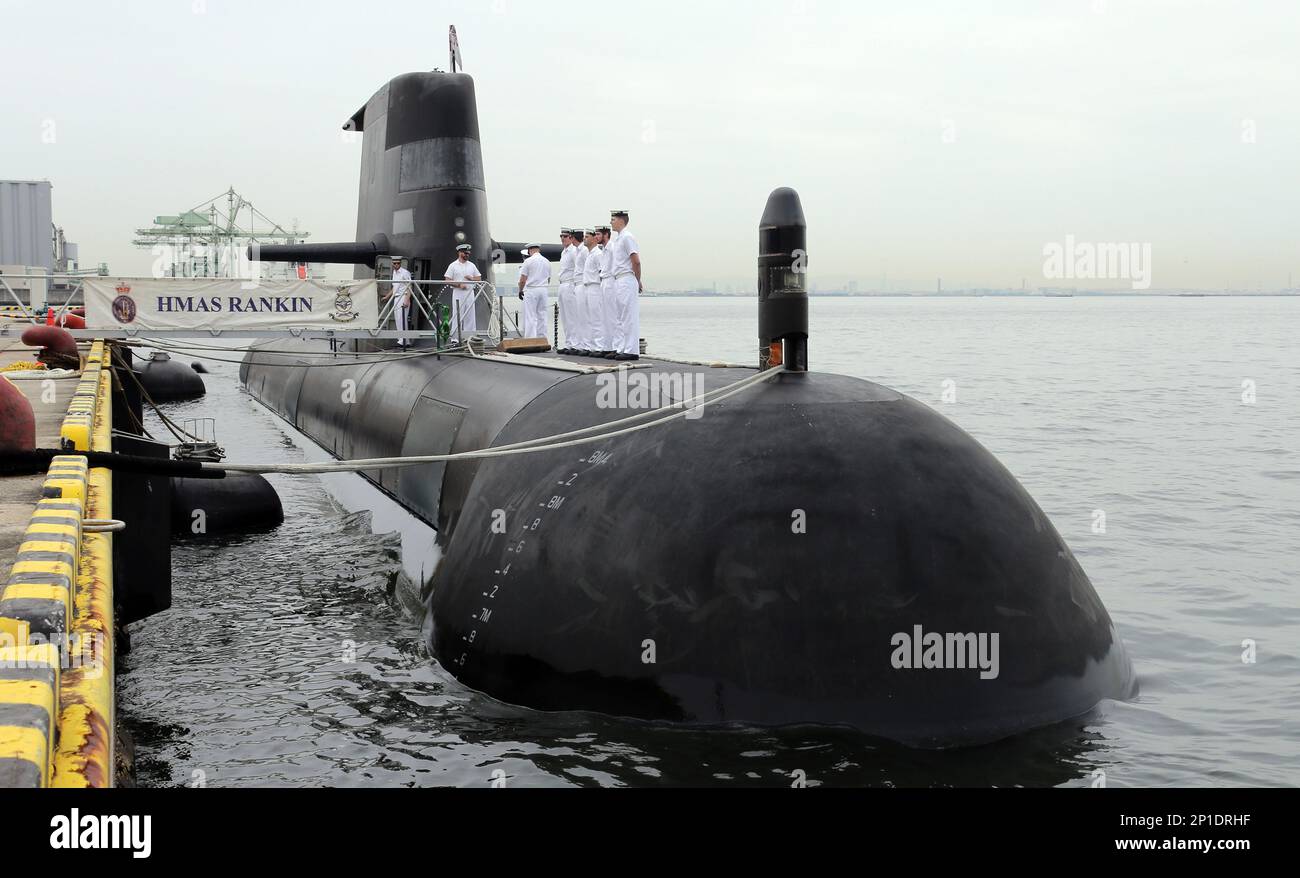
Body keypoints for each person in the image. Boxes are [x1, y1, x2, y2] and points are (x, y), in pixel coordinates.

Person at [608, 210, 642, 361]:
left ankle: (631, 350)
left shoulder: (627, 237)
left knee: (629, 316)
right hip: (618, 280)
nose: (611, 222)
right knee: (620, 316)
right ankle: (622, 347)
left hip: (627, 279)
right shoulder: (619, 239)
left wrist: (637, 280)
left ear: (621, 221)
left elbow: (636, 261)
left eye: (613, 219)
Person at [444, 243, 482, 344]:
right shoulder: (453, 265)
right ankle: (455, 338)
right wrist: (459, 285)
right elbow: (447, 280)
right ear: (460, 253)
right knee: (457, 314)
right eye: (465, 253)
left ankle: (469, 337)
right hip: (458, 293)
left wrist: (472, 278)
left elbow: (479, 278)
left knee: (470, 314)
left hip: (470, 293)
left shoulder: (471, 265)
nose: (467, 255)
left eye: (468, 253)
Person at [517, 244, 551, 340]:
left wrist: (520, 290)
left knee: (530, 316)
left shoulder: (528, 261)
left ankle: (530, 339)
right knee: (542, 315)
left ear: (529, 250)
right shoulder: (547, 261)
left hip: (531, 289)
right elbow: (548, 278)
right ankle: (542, 338)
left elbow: (523, 279)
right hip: (543, 289)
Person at [580, 228, 604, 356]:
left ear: (595, 238)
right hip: (587, 287)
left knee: (596, 318)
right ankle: (591, 346)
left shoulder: (597, 254)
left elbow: (602, 273)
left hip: (595, 287)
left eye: (587, 236)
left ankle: (599, 346)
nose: (584, 238)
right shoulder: (589, 254)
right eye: (584, 237)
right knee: (589, 318)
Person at [556, 229, 579, 354]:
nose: (563, 238)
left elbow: (578, 268)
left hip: (570, 285)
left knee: (571, 316)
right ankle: (569, 343)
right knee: (564, 317)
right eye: (561, 236)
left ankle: (575, 344)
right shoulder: (563, 252)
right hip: (562, 285)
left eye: (565, 236)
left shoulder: (574, 251)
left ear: (571, 238)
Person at [596, 224, 617, 358]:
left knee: (612, 316)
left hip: (611, 281)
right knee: (604, 317)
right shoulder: (603, 250)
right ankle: (607, 346)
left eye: (598, 234)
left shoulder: (612, 248)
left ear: (606, 235)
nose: (596, 236)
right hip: (603, 282)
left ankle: (615, 347)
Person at [570, 229, 591, 355]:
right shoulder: (577, 251)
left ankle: (586, 344)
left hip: (583, 285)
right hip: (577, 285)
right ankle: (579, 343)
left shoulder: (583, 251)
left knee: (584, 316)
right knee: (578, 317)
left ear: (573, 238)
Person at [388, 256, 413, 348]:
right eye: (394, 263)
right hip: (396, 298)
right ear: (392, 264)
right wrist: (387, 296)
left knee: (402, 319)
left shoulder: (405, 273)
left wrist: (407, 300)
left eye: (398, 263)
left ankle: (404, 341)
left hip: (403, 297)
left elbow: (409, 287)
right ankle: (403, 340)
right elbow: (394, 287)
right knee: (398, 320)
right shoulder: (394, 273)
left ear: (400, 263)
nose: (396, 265)